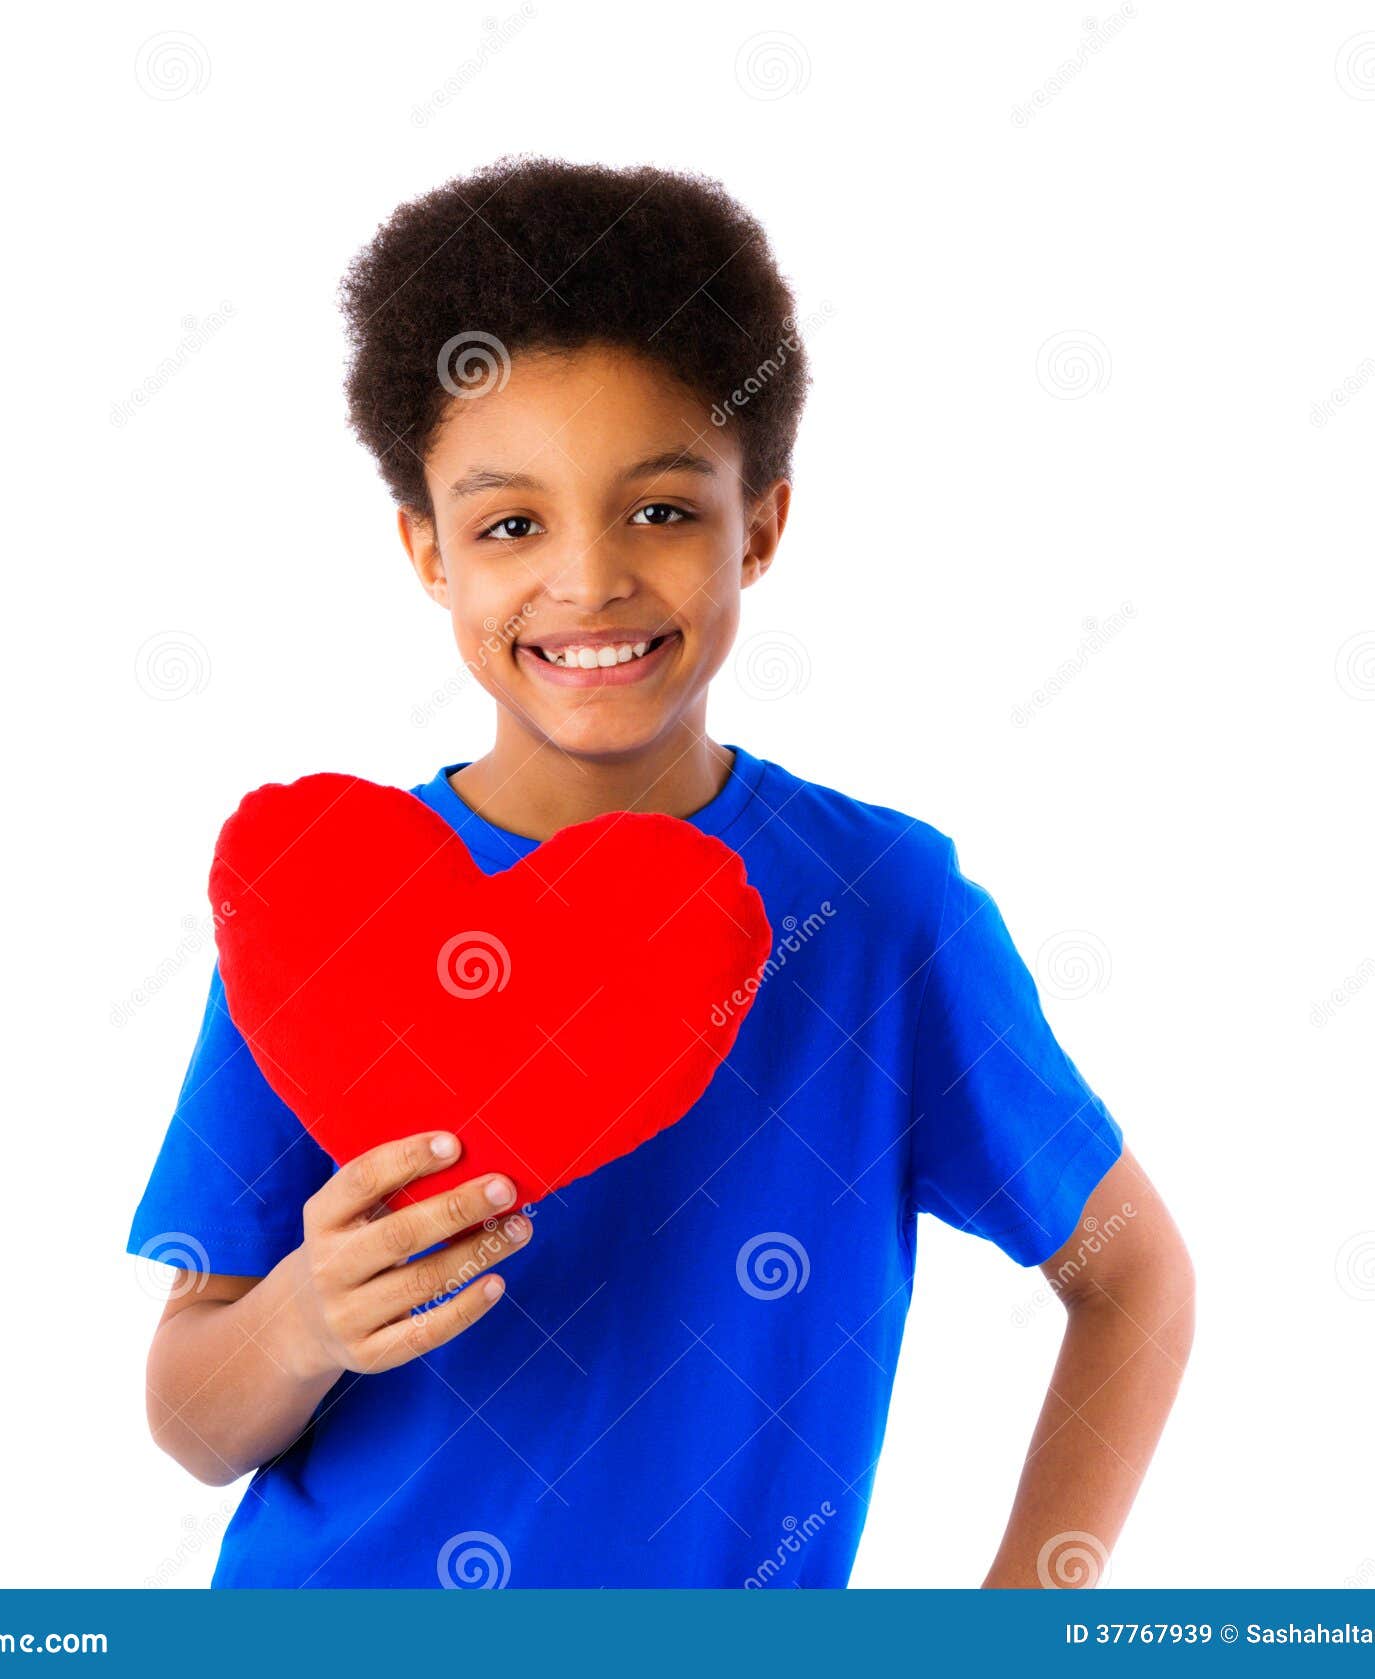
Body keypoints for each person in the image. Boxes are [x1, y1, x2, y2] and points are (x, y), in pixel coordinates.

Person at [128, 156, 1193, 1589]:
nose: (586, 582)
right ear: (429, 551)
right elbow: (190, 1416)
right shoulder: (323, 906)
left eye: (663, 510)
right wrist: (303, 1322)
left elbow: (1131, 1276)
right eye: (511, 524)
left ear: (763, 524)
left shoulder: (880, 914)